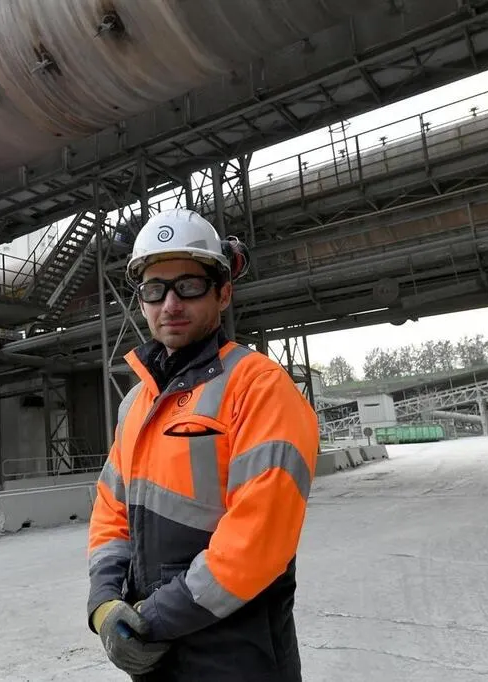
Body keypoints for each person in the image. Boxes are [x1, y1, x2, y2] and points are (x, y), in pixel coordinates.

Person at [85, 208, 320, 681]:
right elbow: (112, 511)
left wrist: (150, 621)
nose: (170, 303)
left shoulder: (259, 387)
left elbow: (258, 539)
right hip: (155, 656)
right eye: (155, 289)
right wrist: (105, 604)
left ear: (223, 293)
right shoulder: (136, 403)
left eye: (188, 286)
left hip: (237, 654)